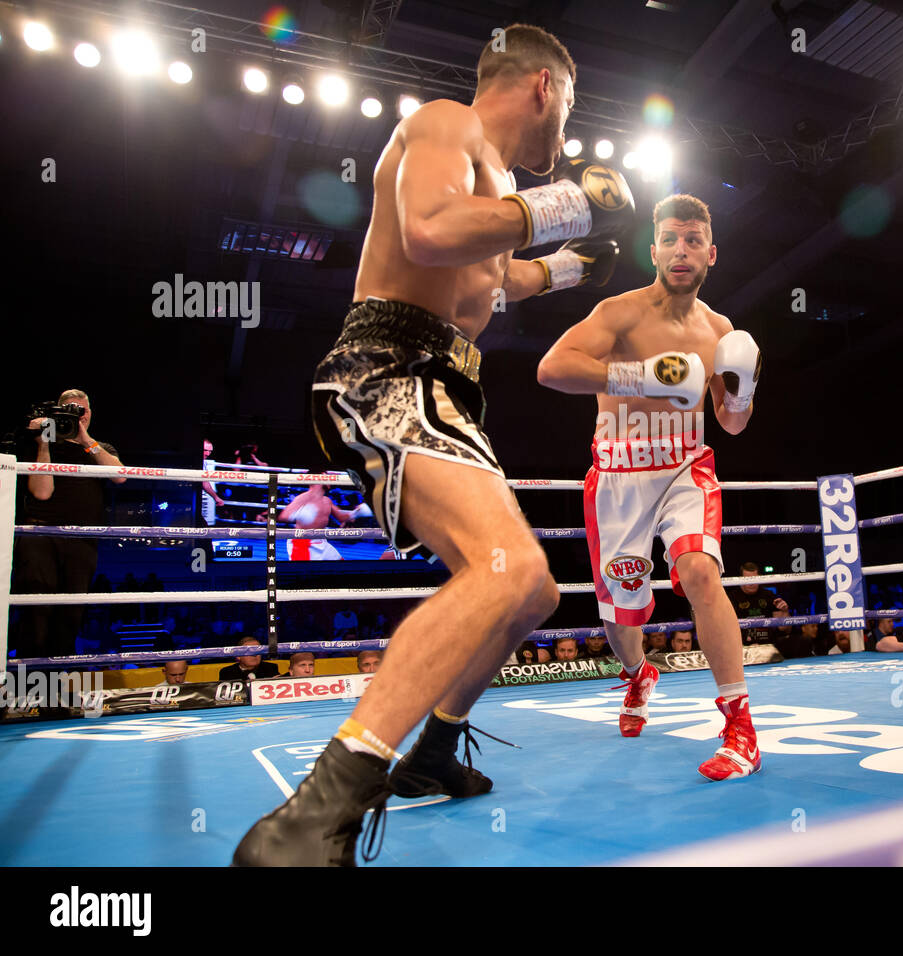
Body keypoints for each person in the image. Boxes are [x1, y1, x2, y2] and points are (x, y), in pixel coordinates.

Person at [235, 24, 635, 866]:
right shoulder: (447, 125)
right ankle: (307, 824)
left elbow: (498, 275)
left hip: (443, 388)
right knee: (509, 571)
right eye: (571, 103)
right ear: (543, 88)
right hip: (385, 366)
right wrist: (568, 202)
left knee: (529, 595)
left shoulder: (490, 185)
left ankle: (430, 755)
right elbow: (427, 232)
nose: (568, 124)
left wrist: (573, 266)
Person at [536, 192, 765, 780]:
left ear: (710, 254)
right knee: (624, 616)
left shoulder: (720, 329)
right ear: (654, 249)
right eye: (670, 239)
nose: (680, 250)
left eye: (692, 241)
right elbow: (552, 368)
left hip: (688, 468)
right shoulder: (621, 313)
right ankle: (638, 673)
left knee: (698, 573)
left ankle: (740, 726)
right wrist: (649, 375)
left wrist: (740, 390)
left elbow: (731, 424)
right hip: (617, 477)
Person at [14, 389, 126, 659]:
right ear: (58, 411)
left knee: (72, 611)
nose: (78, 416)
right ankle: (30, 683)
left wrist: (84, 437)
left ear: (90, 414)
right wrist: (43, 443)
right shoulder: (41, 443)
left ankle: (59, 680)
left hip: (83, 539)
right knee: (37, 610)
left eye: (83, 410)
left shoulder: (99, 448)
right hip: (41, 535)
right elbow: (42, 492)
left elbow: (120, 476)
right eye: (71, 410)